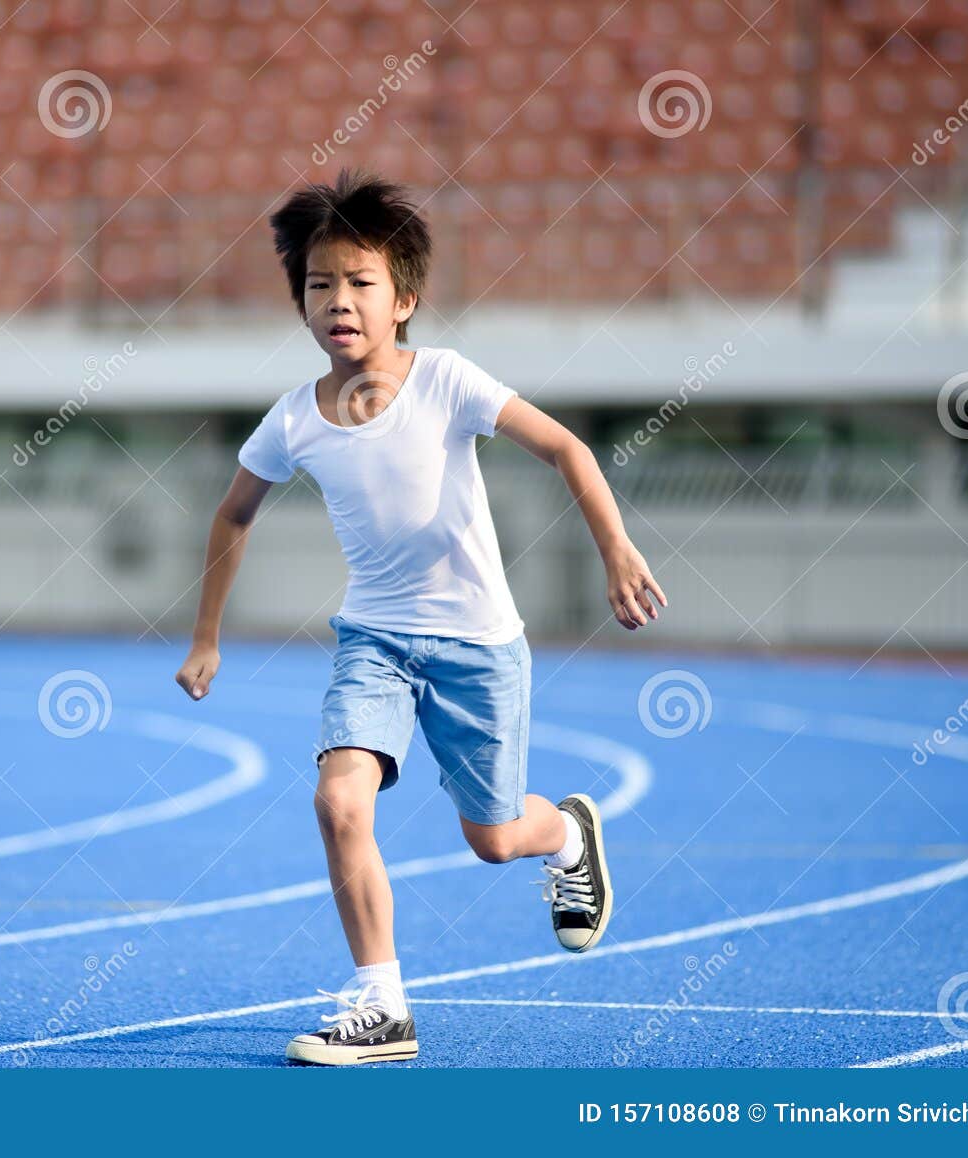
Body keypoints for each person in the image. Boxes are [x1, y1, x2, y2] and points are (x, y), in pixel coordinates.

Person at [174, 169, 667, 1065]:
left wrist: (617, 550)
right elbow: (232, 514)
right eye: (320, 284)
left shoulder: (446, 380)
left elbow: (566, 447)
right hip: (375, 643)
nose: (339, 300)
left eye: (360, 282)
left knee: (492, 839)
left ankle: (565, 832)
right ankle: (381, 1004)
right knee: (337, 799)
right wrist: (207, 636)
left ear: (404, 300)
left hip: (480, 648)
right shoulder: (293, 420)